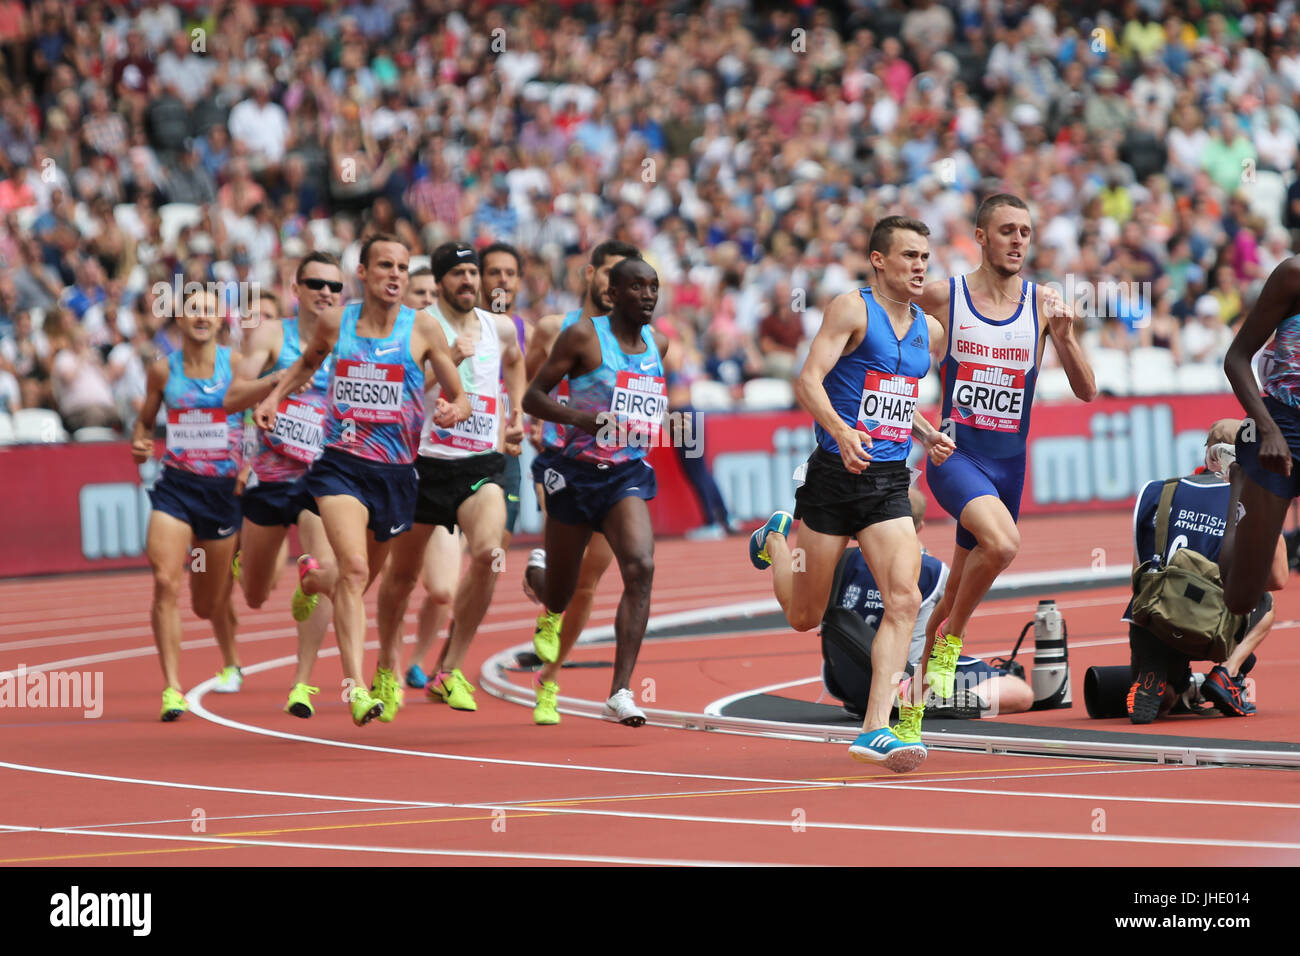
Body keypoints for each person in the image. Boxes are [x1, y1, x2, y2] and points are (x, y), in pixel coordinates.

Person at [749, 215, 955, 772]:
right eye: (908, 256)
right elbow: (809, 380)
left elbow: (890, 395)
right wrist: (840, 433)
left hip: (888, 482)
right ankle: (773, 541)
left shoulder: (929, 332)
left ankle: (874, 728)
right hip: (833, 479)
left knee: (905, 599)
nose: (919, 267)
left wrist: (923, 431)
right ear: (879, 260)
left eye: (925, 258)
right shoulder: (850, 309)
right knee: (802, 615)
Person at [253, 233, 469, 726]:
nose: (395, 274)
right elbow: (306, 363)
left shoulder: (424, 329)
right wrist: (271, 399)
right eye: (385, 266)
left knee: (357, 579)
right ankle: (355, 687)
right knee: (352, 569)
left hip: (396, 475)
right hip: (341, 465)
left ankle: (311, 579)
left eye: (401, 266)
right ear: (365, 274)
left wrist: (457, 409)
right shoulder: (337, 322)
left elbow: (460, 394)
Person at [915, 194, 1096, 704]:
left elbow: (1086, 390)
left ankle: (914, 707)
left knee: (953, 592)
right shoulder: (942, 296)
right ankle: (954, 639)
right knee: (1003, 544)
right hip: (957, 457)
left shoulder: (1043, 304)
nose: (1018, 240)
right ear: (980, 236)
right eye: (1007, 230)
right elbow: (883, 329)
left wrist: (1067, 337)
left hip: (1009, 467)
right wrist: (919, 426)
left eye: (1025, 231)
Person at [374, 242, 524, 716]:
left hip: (479, 466)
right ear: (438, 282)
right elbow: (396, 391)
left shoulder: (497, 326)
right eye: (457, 273)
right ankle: (385, 666)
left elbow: (516, 360)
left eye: (472, 272)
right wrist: (451, 362)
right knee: (400, 577)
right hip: (421, 465)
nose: (468, 281)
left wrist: (515, 412)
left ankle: (449, 669)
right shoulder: (420, 328)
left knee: (490, 553)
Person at [523, 257, 669, 727]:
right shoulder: (584, 336)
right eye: (638, 287)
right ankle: (539, 582)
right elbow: (533, 397)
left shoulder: (658, 343)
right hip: (574, 474)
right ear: (614, 292)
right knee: (562, 595)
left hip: (623, 473)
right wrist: (580, 419)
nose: (648, 295)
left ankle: (620, 691)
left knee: (641, 565)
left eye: (654, 287)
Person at [224, 253, 344, 718]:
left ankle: (302, 683)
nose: (325, 292)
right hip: (270, 478)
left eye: (334, 286)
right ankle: (257, 567)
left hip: (322, 475)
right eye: (315, 283)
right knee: (254, 594)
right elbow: (234, 395)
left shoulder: (348, 339)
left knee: (324, 568)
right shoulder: (274, 335)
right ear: (296, 289)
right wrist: (282, 382)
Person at [821, 489, 1035, 719]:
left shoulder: (845, 560)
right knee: (1020, 691)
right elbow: (955, 625)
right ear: (920, 527)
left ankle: (931, 699)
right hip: (902, 678)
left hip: (843, 679)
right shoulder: (934, 571)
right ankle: (939, 699)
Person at [1126, 420, 1288, 722]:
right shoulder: (1250, 501)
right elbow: (1278, 578)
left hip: (1155, 620)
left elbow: (1138, 576)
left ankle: (1162, 681)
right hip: (1212, 626)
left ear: (1209, 455)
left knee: (1167, 702)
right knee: (1264, 602)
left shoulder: (1158, 491)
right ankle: (1226, 674)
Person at [131, 289, 243, 721]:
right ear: (179, 319)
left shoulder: (236, 366)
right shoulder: (162, 371)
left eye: (209, 310)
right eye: (193, 309)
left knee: (206, 603)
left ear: (221, 320)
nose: (201, 316)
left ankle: (231, 658)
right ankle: (172, 688)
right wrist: (140, 442)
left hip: (221, 494)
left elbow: (256, 416)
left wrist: (249, 464)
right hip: (176, 488)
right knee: (165, 580)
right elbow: (145, 420)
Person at [1221, 256, 1300, 615]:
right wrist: (1267, 429)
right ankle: (1238, 483)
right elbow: (1236, 358)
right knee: (1241, 598)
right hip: (1283, 427)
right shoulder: (1293, 274)